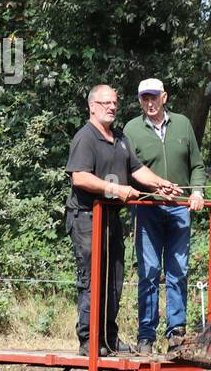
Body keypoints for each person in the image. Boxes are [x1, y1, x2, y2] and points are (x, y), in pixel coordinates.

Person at [66, 84, 182, 356]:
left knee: (114, 279)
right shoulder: (85, 138)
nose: (111, 107)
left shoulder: (119, 137)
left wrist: (160, 185)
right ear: (92, 106)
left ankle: (108, 337)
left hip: (111, 218)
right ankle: (89, 340)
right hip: (86, 219)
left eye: (115, 102)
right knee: (92, 279)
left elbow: (137, 169)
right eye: (105, 102)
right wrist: (116, 190)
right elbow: (79, 177)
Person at [123, 77, 206, 353]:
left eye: (153, 97)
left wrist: (196, 193)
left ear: (164, 97)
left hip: (180, 209)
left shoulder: (182, 124)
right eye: (144, 98)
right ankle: (146, 335)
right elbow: (127, 170)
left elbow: (197, 165)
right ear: (139, 101)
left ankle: (176, 333)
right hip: (147, 210)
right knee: (148, 272)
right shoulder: (131, 129)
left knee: (178, 270)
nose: (149, 103)